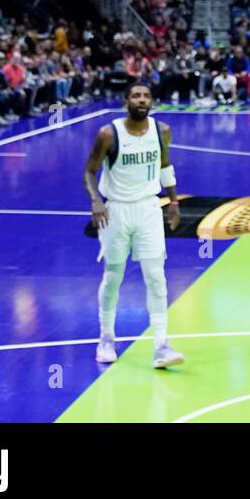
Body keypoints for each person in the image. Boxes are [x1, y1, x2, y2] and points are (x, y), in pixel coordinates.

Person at [82, 82, 184, 368]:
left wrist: (174, 202)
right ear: (125, 101)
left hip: (149, 208)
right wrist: (96, 201)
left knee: (156, 276)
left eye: (146, 96)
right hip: (116, 210)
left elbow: (165, 165)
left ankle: (161, 345)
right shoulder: (108, 134)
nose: (141, 100)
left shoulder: (161, 130)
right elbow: (90, 172)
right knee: (114, 276)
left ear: (152, 101)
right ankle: (106, 338)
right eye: (136, 96)